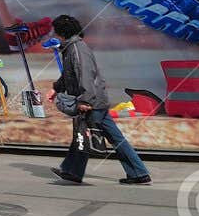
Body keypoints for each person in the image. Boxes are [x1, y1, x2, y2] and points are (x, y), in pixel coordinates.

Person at [50, 14, 151, 185]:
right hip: (97, 100)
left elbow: (86, 76)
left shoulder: (77, 49)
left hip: (92, 102)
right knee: (114, 138)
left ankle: (72, 171)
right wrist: (56, 88)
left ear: (61, 33)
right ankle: (138, 172)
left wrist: (84, 101)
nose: (54, 35)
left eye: (55, 32)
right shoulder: (72, 48)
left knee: (82, 134)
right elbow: (69, 75)